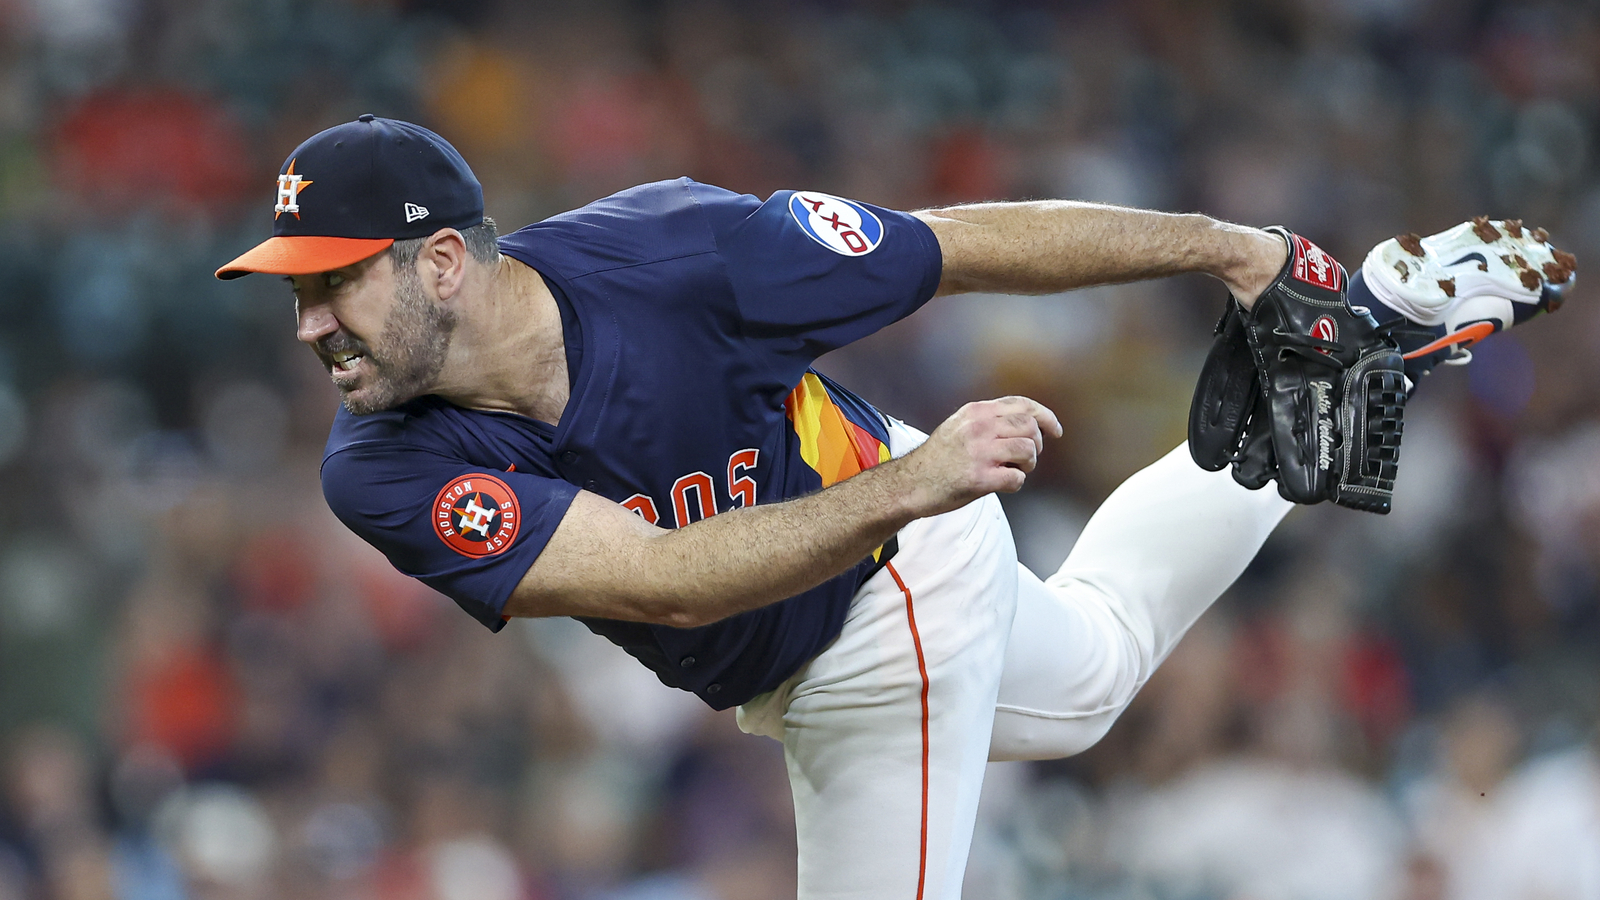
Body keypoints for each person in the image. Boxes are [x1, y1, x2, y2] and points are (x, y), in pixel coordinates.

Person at [215, 115, 1569, 899]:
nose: (310, 324)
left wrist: (1235, 250)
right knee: (1092, 673)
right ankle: (1378, 328)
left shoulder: (684, 252)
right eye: (295, 292)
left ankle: (1340, 314)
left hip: (889, 593)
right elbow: (662, 581)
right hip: (870, 546)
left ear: (443, 260)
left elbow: (957, 246)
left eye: (332, 282)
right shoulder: (377, 465)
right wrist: (918, 484)